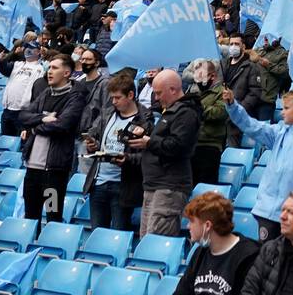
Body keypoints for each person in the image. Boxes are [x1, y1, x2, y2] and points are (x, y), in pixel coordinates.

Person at [223, 87, 293, 241]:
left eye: (286, 108)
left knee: (288, 261)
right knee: (266, 259)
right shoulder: (278, 133)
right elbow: (251, 125)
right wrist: (233, 105)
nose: (282, 112)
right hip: (267, 212)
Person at [166, 192, 261, 295]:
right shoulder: (200, 252)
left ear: (207, 225)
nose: (188, 226)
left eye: (192, 221)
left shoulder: (248, 256)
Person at [133, 69, 201, 237]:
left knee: (156, 241)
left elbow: (177, 146)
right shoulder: (172, 111)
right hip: (154, 185)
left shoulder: (186, 113)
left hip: (169, 186)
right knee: (145, 240)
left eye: (159, 93)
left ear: (173, 89)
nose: (156, 98)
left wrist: (149, 142)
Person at [17, 56, 85, 223]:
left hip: (54, 172)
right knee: (30, 217)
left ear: (67, 73)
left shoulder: (75, 97)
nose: (49, 71)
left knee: (53, 215)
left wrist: (34, 126)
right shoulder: (46, 93)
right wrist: (43, 118)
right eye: (49, 68)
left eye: (55, 68)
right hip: (32, 170)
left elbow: (62, 125)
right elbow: (23, 115)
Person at [85, 72, 151, 231]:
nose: (113, 102)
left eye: (117, 98)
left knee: (118, 234)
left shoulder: (144, 120)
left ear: (130, 95)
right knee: (96, 234)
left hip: (123, 185)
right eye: (112, 98)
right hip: (99, 182)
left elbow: (147, 155)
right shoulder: (107, 113)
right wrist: (92, 145)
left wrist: (128, 159)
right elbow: (95, 134)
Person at [187, 58, 228, 188]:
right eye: (197, 77)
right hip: (193, 144)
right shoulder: (195, 93)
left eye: (202, 76)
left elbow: (220, 112)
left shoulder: (222, 92)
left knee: (206, 187)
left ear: (212, 76)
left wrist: (199, 108)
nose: (199, 80)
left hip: (210, 144)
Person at [0, 35, 46, 140]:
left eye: (31, 48)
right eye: (27, 47)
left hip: (23, 112)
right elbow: (4, 68)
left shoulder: (40, 69)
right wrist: (4, 58)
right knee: (5, 138)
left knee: (20, 142)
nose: (28, 50)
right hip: (7, 110)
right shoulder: (17, 64)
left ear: (38, 52)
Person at [221, 34, 262, 147]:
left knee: (231, 147)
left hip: (238, 117)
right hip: (222, 115)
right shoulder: (224, 64)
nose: (233, 46)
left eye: (236, 44)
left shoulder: (251, 67)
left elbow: (254, 93)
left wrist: (237, 110)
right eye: (231, 44)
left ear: (243, 47)